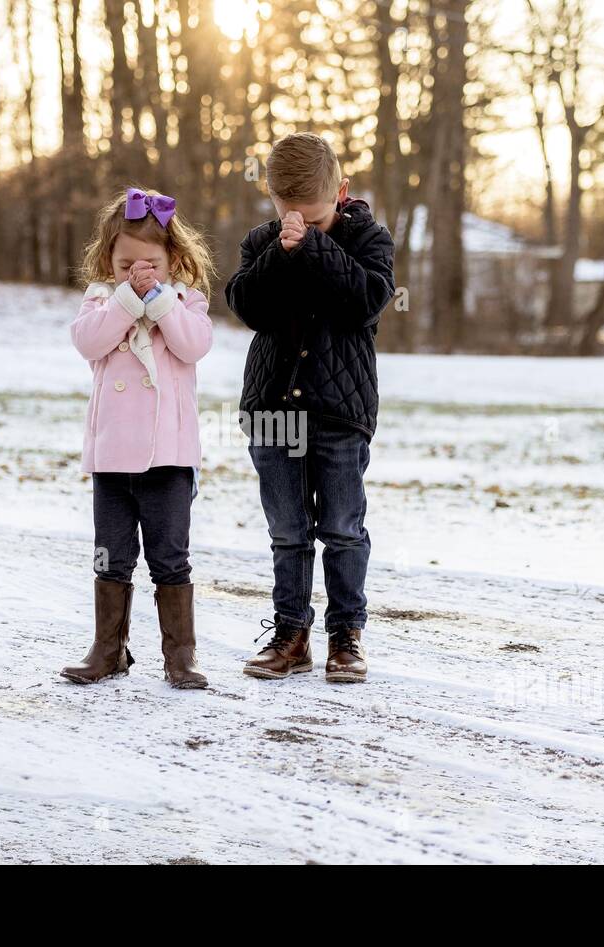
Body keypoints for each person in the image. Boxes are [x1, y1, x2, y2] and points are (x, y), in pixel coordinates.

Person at [225, 133, 395, 684]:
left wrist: (317, 248)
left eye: (317, 220)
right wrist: (281, 253)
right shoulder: (262, 242)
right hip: (272, 409)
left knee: (343, 528)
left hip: (339, 413)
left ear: (341, 193)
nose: (302, 226)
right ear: (274, 202)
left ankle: (346, 636)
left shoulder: (369, 237)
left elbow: (367, 301)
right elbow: (246, 306)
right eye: (288, 215)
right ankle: (290, 633)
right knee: (287, 531)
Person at [62, 187, 215, 689]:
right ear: (109, 260)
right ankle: (109, 648)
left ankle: (181, 656)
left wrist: (162, 303)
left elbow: (194, 347)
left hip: (167, 457)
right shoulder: (101, 302)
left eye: (150, 262)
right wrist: (128, 300)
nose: (138, 272)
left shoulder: (186, 302)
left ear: (172, 260)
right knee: (111, 552)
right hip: (112, 455)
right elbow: (89, 342)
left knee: (171, 556)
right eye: (126, 262)